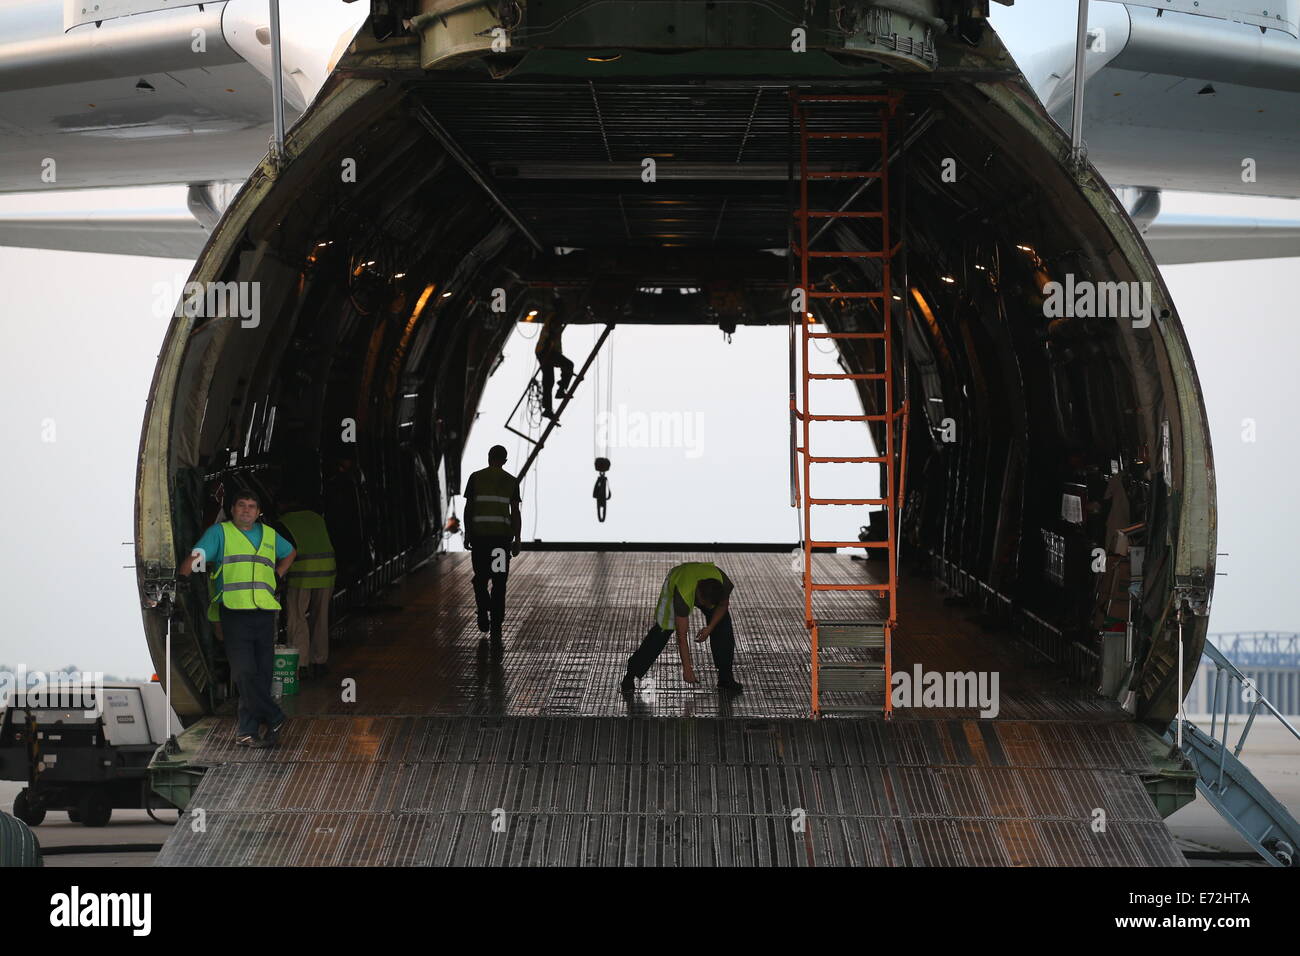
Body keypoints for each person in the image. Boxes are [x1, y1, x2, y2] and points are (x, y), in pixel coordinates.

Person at [179, 491, 296, 748]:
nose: (246, 510)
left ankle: (248, 731)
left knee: (262, 675)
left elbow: (290, 553)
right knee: (244, 673)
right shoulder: (220, 533)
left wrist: (278, 575)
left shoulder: (268, 534)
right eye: (241, 505)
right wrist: (183, 576)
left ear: (258, 512)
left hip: (264, 612)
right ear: (232, 509)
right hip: (234, 613)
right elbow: (197, 556)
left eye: (252, 507)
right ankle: (274, 716)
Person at [620, 561, 743, 695]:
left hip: (704, 589)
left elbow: (722, 606)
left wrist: (710, 627)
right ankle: (630, 675)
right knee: (662, 631)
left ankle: (726, 677)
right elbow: (681, 636)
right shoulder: (682, 597)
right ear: (698, 597)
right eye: (705, 604)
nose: (708, 608)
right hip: (679, 582)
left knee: (723, 624)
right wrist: (687, 668)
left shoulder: (723, 584)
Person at [463, 445, 522, 659]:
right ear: (505, 461)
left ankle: (483, 612)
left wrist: (467, 533)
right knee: (499, 582)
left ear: (489, 458)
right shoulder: (511, 481)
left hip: (480, 539)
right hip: (500, 541)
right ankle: (496, 625)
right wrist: (517, 539)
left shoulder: (475, 477)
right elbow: (515, 512)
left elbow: (469, 508)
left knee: (480, 579)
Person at [277, 499, 336, 682]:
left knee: (297, 616)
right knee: (321, 616)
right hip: (327, 570)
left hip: (302, 573)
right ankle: (319, 661)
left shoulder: (283, 522)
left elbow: (283, 552)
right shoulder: (317, 517)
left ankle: (300, 664)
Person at [535, 297, 574, 419]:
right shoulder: (556, 317)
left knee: (548, 380)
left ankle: (547, 409)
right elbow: (551, 334)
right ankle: (561, 389)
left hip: (543, 351)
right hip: (547, 350)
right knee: (568, 365)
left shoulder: (554, 317)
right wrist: (554, 355)